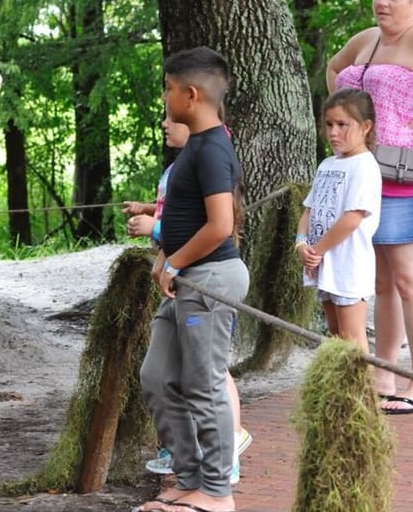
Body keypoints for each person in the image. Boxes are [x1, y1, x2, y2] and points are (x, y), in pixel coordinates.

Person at [134, 47, 249, 512]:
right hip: (184, 277)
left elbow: (221, 225)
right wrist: (166, 259)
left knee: (203, 383)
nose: (164, 97)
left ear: (191, 93)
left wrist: (176, 260)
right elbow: (183, 214)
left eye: (167, 88)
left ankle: (217, 492)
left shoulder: (214, 149)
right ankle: (188, 476)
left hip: (210, 279)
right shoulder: (196, 146)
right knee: (159, 376)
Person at [327, 0, 413, 414]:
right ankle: (386, 373)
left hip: (406, 176)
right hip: (363, 175)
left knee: (408, 280)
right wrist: (341, 121)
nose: (382, 3)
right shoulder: (364, 41)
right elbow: (333, 68)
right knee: (380, 280)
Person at [295, 89, 381, 353]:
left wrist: (317, 251)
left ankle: (363, 394)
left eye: (343, 125)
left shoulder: (364, 166)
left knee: (352, 340)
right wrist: (301, 244)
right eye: (329, 124)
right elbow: (309, 209)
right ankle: (339, 393)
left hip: (348, 264)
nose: (333, 132)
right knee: (335, 338)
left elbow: (352, 218)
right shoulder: (327, 165)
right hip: (323, 265)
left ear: (365, 127)